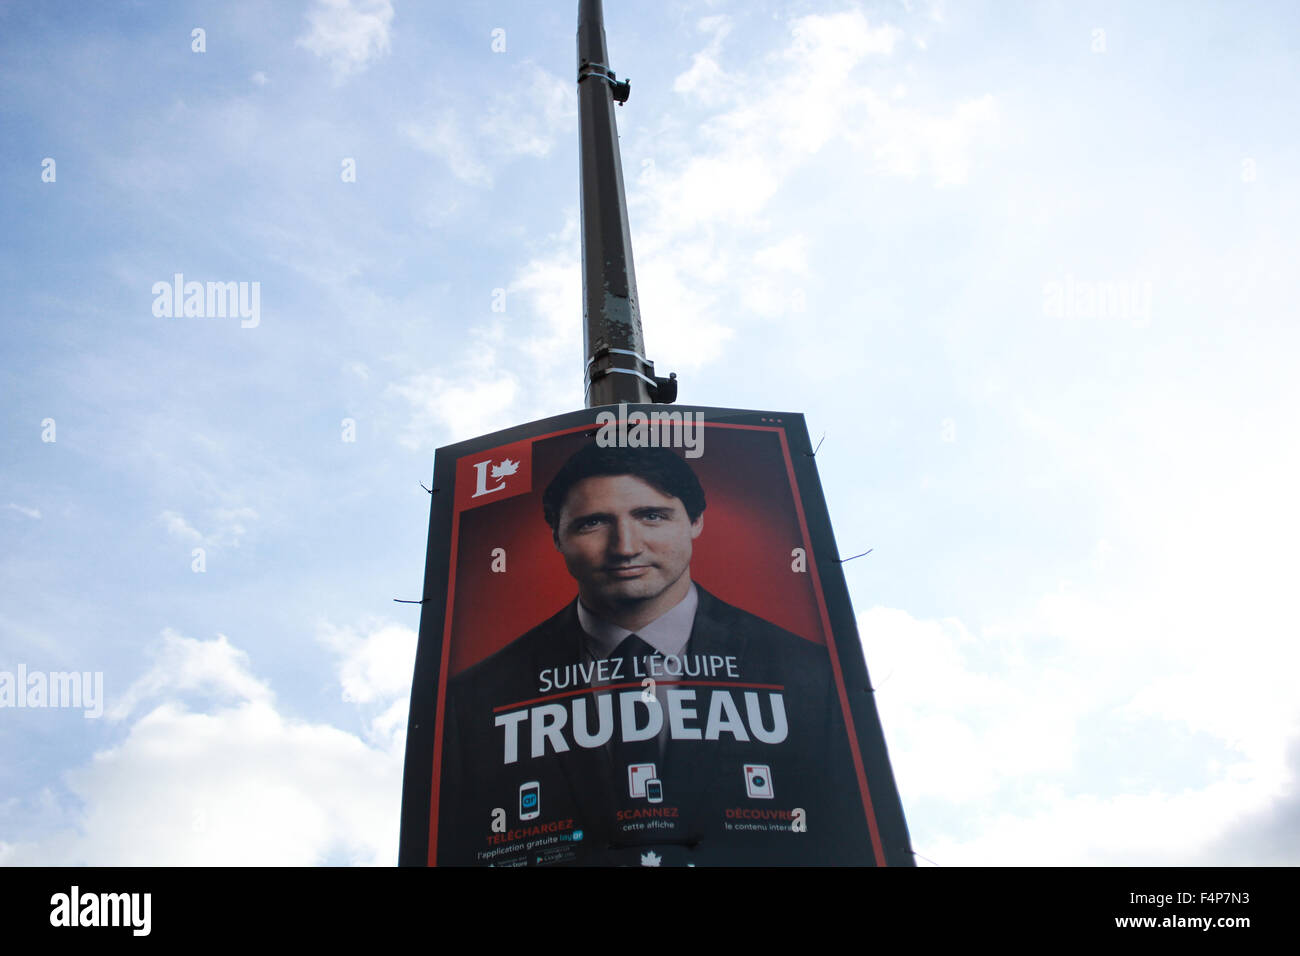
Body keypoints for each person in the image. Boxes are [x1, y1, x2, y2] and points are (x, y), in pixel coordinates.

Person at [437, 443, 871, 865]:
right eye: (592, 523)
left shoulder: (811, 673)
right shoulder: (474, 698)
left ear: (696, 521)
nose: (625, 546)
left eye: (651, 516)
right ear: (557, 536)